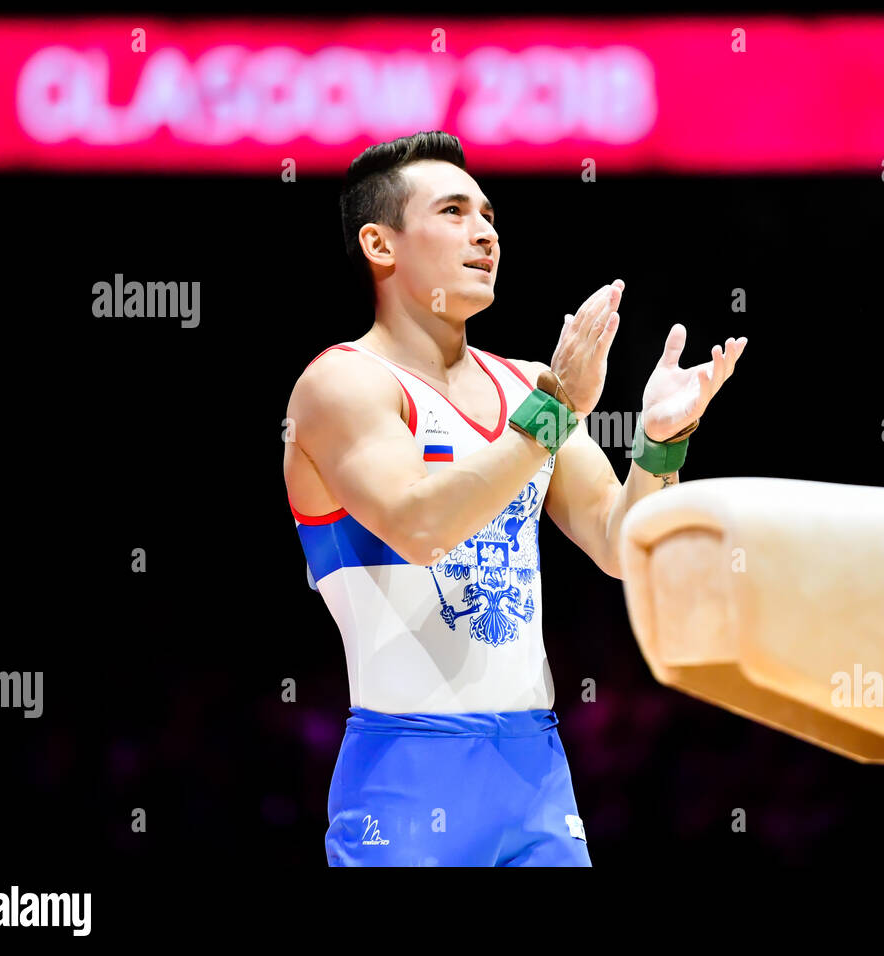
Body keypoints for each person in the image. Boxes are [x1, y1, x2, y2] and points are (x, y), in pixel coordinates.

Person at [281, 130, 747, 865]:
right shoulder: (342, 385)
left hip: (534, 771)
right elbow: (420, 525)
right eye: (455, 211)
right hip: (405, 772)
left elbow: (622, 544)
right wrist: (554, 414)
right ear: (380, 244)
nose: (485, 232)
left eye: (490, 215)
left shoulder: (527, 387)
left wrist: (662, 442)